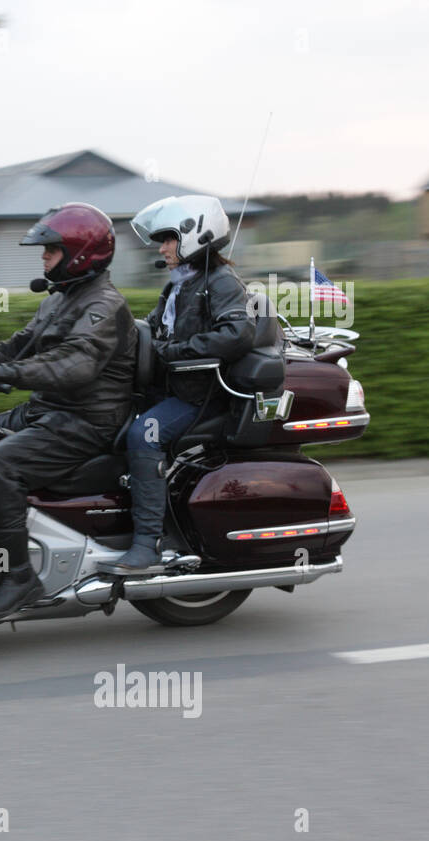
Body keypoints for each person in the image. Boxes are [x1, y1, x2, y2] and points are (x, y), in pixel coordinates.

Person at [0, 202, 137, 623]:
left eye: (50, 250)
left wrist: (5, 373)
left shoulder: (104, 306)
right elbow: (16, 347)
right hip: (49, 411)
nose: (43, 257)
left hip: (88, 420)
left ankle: (17, 577)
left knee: (1, 463)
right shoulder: (61, 299)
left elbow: (75, 364)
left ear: (79, 253)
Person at [102, 194, 256, 574]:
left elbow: (237, 333)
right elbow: (152, 331)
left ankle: (148, 543)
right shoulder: (180, 284)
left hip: (201, 396)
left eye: (169, 238)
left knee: (144, 436)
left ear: (195, 235)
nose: (162, 247)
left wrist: (175, 352)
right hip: (171, 390)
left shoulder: (221, 283)